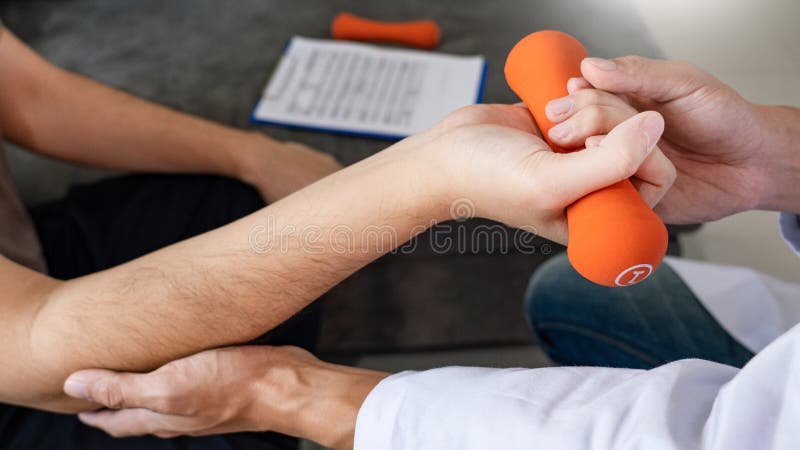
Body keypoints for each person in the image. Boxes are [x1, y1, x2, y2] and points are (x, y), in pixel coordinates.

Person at [0, 17, 677, 450]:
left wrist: (251, 154)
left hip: (31, 255)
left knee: (231, 198)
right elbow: (40, 346)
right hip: (30, 365)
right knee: (196, 420)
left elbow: (27, 94)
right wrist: (427, 178)